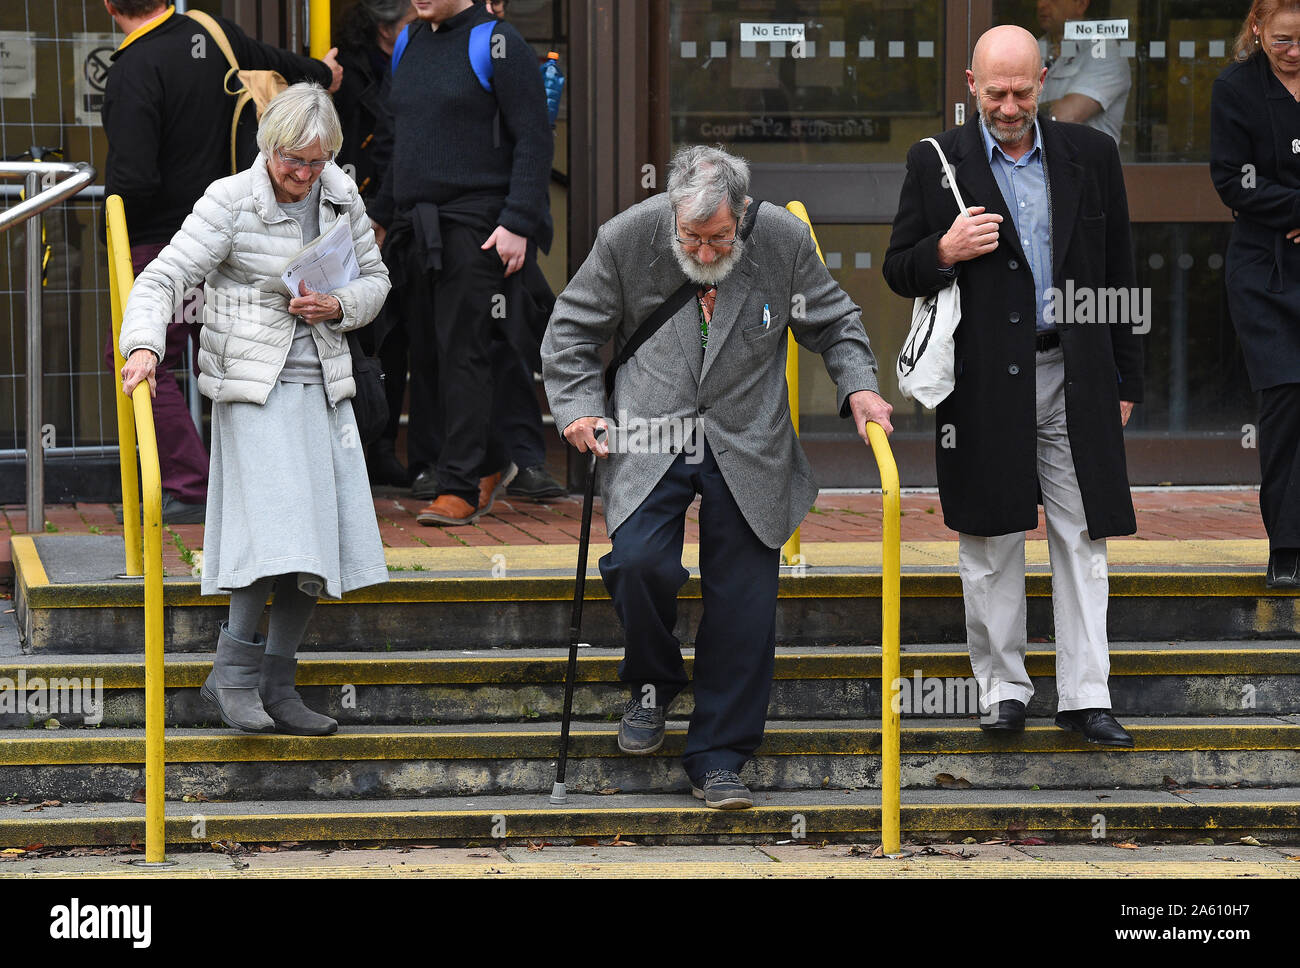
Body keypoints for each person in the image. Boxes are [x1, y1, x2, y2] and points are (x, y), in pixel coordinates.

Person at [542, 145, 892, 808]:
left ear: (744, 215)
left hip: (747, 436)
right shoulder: (627, 238)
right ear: (673, 214)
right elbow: (571, 329)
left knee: (743, 600)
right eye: (692, 239)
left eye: (719, 238)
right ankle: (654, 681)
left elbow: (835, 319)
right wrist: (581, 405)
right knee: (639, 563)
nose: (705, 255)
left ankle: (719, 756)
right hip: (651, 431)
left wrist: (859, 389)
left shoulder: (781, 239)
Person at [883, 25, 1143, 747]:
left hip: (1074, 372)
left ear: (1045, 80)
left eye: (1021, 91)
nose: (1007, 105)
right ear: (971, 84)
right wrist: (943, 250)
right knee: (991, 537)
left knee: (1083, 536)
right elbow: (898, 268)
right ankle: (1002, 691)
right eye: (994, 91)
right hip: (983, 386)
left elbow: (1119, 264)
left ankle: (1087, 696)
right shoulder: (936, 161)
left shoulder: (1091, 153)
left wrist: (1129, 375)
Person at [119, 84, 391, 735]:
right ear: (268, 147)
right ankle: (232, 676)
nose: (301, 174)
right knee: (277, 538)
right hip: (253, 388)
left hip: (324, 386)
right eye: (290, 160)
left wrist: (339, 306)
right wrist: (145, 346)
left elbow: (377, 281)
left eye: (315, 161)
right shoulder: (230, 200)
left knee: (315, 548)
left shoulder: (340, 193)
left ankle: (277, 681)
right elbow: (162, 277)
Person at [101, 0, 342, 523]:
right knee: (237, 355)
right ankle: (245, 487)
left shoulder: (134, 68)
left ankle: (190, 484)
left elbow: (134, 177)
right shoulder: (211, 32)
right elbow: (278, 62)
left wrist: (114, 218)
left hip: (161, 241)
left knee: (144, 354)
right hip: (235, 234)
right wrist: (325, 72)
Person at [368, 0, 555, 525]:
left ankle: (461, 485)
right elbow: (397, 143)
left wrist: (518, 221)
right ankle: (489, 462)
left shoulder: (498, 42)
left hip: (477, 226)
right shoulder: (409, 41)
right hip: (415, 226)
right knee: (427, 353)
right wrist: (380, 216)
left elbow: (534, 138)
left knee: (466, 353)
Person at [1210, 0, 1300, 588]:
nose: (1295, 53)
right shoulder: (1236, 89)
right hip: (1266, 275)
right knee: (1286, 400)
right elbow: (1232, 179)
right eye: (1284, 40)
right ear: (1257, 29)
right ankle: (1288, 547)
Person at [333, 0, 415, 487]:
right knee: (353, 326)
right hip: (354, 209)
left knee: (392, 332)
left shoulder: (411, 57)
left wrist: (384, 214)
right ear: (387, 29)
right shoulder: (349, 71)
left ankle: (381, 444)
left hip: (393, 215)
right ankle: (358, 444)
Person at [1035, 0, 1131, 145]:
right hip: (1039, 161)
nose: (1041, 4)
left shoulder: (1103, 50)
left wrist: (1017, 114)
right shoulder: (1034, 47)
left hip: (1084, 165)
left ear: (1081, 4)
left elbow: (1066, 115)